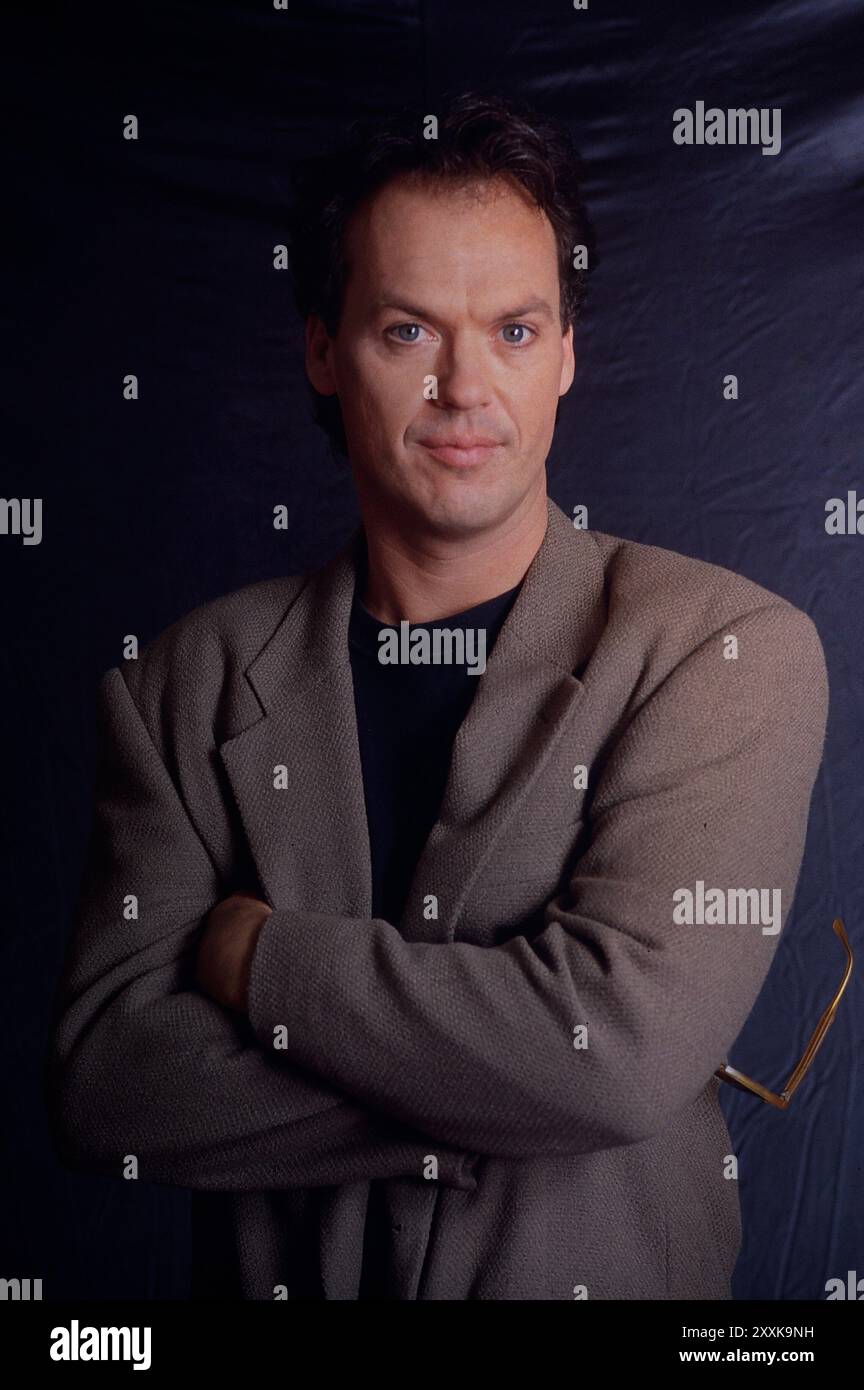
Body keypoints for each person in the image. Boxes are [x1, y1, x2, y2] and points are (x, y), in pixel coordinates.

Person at [48, 91, 829, 1300]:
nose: (466, 385)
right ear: (322, 346)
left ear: (569, 352)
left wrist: (259, 964)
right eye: (410, 331)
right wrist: (512, 1085)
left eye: (514, 331)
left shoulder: (724, 648)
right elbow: (112, 1086)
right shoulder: (180, 683)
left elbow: (618, 1059)